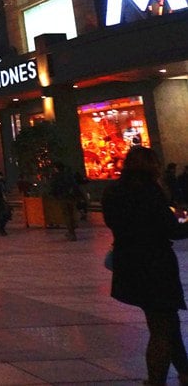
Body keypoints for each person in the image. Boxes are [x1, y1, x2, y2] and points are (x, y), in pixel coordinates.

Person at [103, 146, 188, 384]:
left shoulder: (112, 192)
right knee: (162, 327)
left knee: (167, 322)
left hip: (128, 264)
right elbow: (171, 230)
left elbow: (114, 222)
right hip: (154, 266)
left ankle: (184, 371)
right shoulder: (149, 191)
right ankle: (155, 380)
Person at [50, 161, 80, 241]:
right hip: (71, 197)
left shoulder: (56, 177)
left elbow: (54, 187)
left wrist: (55, 196)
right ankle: (72, 230)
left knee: (67, 215)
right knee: (71, 213)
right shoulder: (69, 175)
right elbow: (75, 185)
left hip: (63, 197)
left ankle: (71, 233)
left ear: (56, 168)